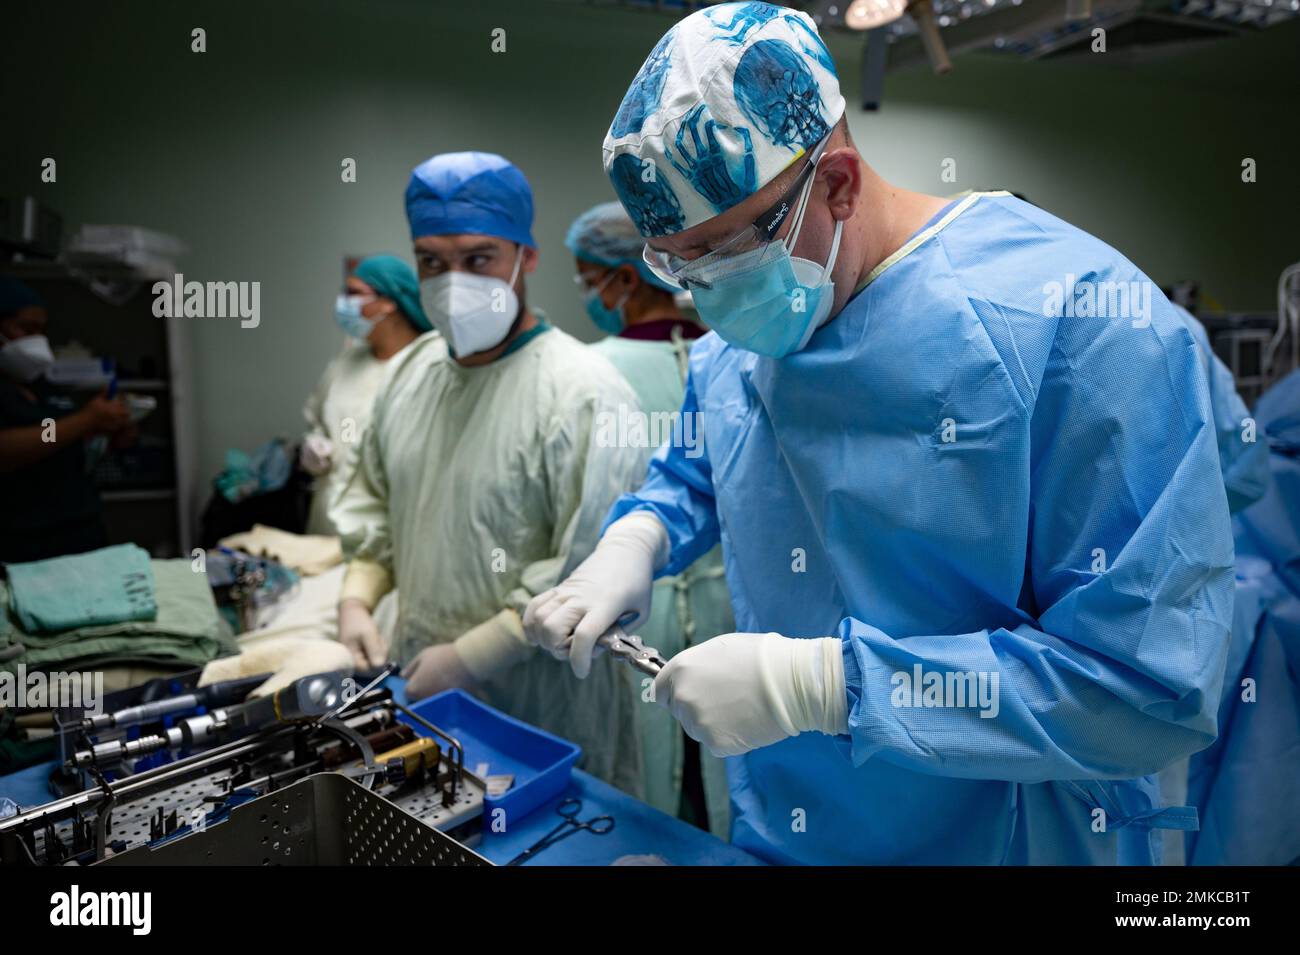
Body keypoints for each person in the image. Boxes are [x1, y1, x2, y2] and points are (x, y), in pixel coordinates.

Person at [525, 2, 1234, 864]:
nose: (709, 293)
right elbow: (706, 467)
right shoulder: (751, 334)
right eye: (681, 263)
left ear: (839, 183)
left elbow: (1147, 689)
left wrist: (828, 685)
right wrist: (638, 537)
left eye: (727, 251)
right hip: (792, 823)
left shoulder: (1080, 327)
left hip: (1006, 836)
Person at [330, 151, 650, 793]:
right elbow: (376, 500)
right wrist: (357, 597)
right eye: (432, 263)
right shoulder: (411, 373)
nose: (453, 282)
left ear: (526, 257)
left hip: (546, 707)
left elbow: (588, 566)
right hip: (423, 697)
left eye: (479, 260)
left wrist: (476, 655)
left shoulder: (584, 393)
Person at [566, 201, 732, 834]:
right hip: (725, 606)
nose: (589, 292)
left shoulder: (590, 372)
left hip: (632, 616)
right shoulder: (722, 352)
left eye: (588, 278)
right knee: (722, 770)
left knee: (655, 778)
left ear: (624, 278)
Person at [0, 277, 134, 563]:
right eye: (26, 328)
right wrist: (86, 419)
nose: (37, 340)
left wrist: (111, 429)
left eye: (42, 331)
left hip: (79, 527)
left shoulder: (43, 385)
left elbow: (58, 437)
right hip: (23, 540)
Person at [301, 254, 429, 536]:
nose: (343, 303)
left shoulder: (430, 366)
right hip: (329, 521)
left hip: (393, 527)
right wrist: (315, 444)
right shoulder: (346, 362)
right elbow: (319, 420)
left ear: (389, 302)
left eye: (354, 294)